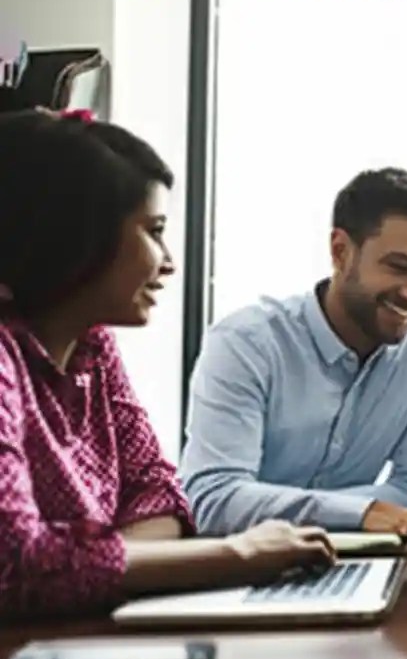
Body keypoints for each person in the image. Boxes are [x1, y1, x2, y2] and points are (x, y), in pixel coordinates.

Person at [0, 110, 334, 620]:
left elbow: (160, 494)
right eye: (154, 231)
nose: (169, 261)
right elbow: (18, 565)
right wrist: (237, 554)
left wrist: (94, 565)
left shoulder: (95, 346)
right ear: (78, 236)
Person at [181, 168, 407, 537]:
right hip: (243, 568)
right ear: (340, 251)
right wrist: (362, 513)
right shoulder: (246, 343)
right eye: (399, 268)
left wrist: (349, 513)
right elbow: (213, 500)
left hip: (352, 561)